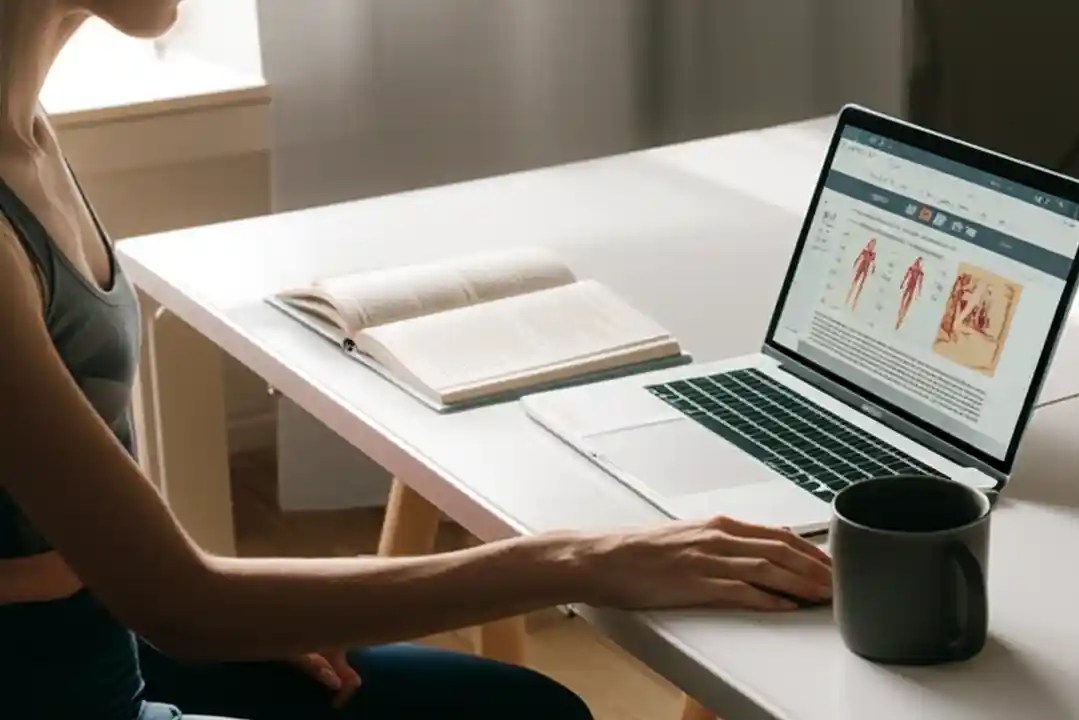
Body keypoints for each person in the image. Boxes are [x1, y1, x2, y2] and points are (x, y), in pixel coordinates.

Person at [0, 2, 833, 718]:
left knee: (519, 708)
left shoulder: (30, 124)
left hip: (113, 644)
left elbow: (112, 552)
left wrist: (254, 617)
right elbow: (181, 602)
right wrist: (583, 561)